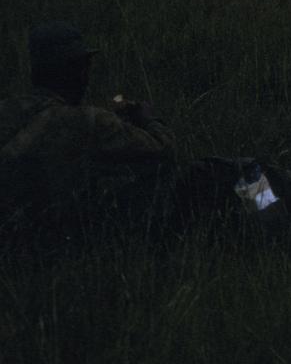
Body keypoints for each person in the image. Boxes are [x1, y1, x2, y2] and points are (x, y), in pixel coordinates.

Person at [1, 21, 176, 236]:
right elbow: (162, 150)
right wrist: (149, 119)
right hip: (57, 238)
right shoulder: (89, 121)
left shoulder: (6, 109)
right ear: (78, 71)